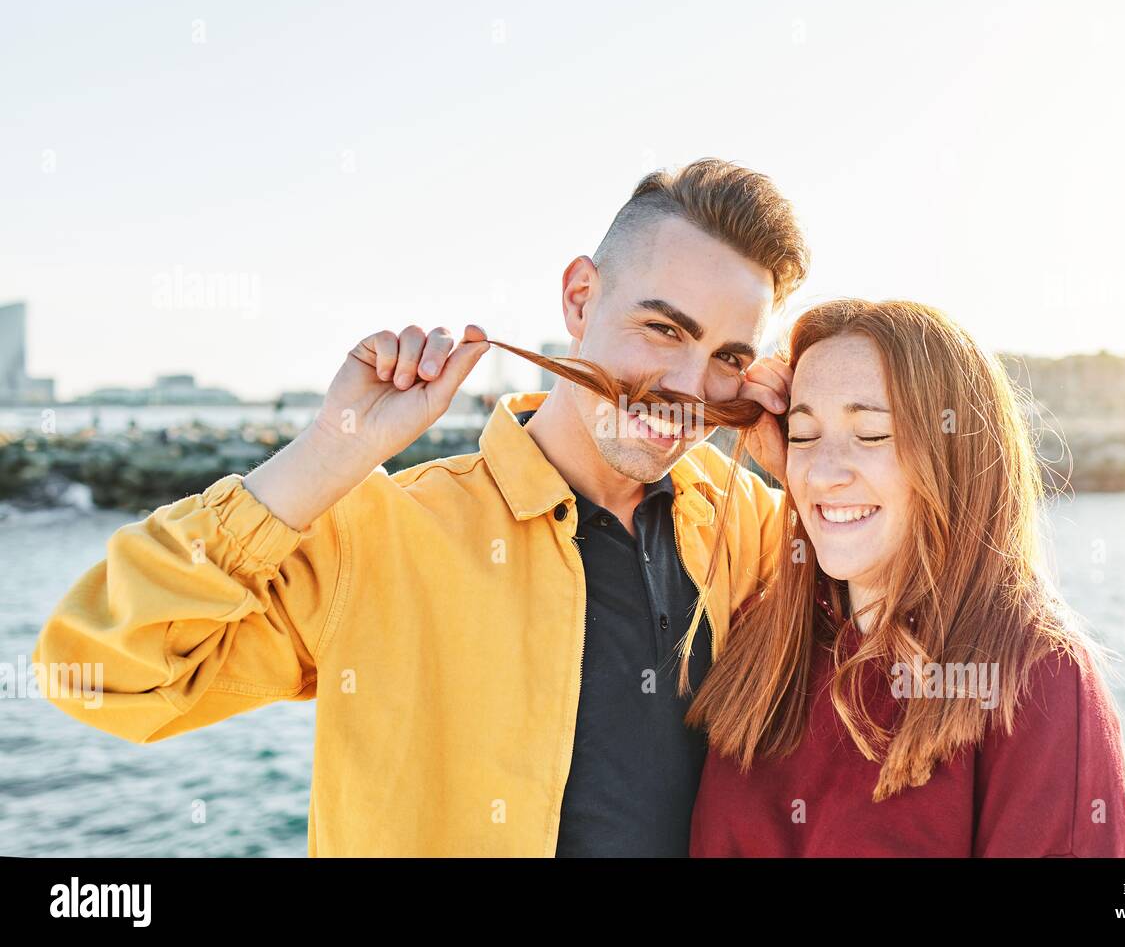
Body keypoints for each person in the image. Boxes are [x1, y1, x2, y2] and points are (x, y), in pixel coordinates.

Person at [32, 158, 807, 857]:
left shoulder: (752, 528)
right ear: (579, 297)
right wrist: (327, 456)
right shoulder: (381, 534)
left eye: (728, 360)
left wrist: (805, 469)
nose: (687, 386)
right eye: (662, 327)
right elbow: (98, 673)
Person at [687, 299, 1125, 857]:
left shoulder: (1034, 679)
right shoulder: (763, 640)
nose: (825, 472)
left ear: (954, 452)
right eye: (804, 435)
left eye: (872, 434)